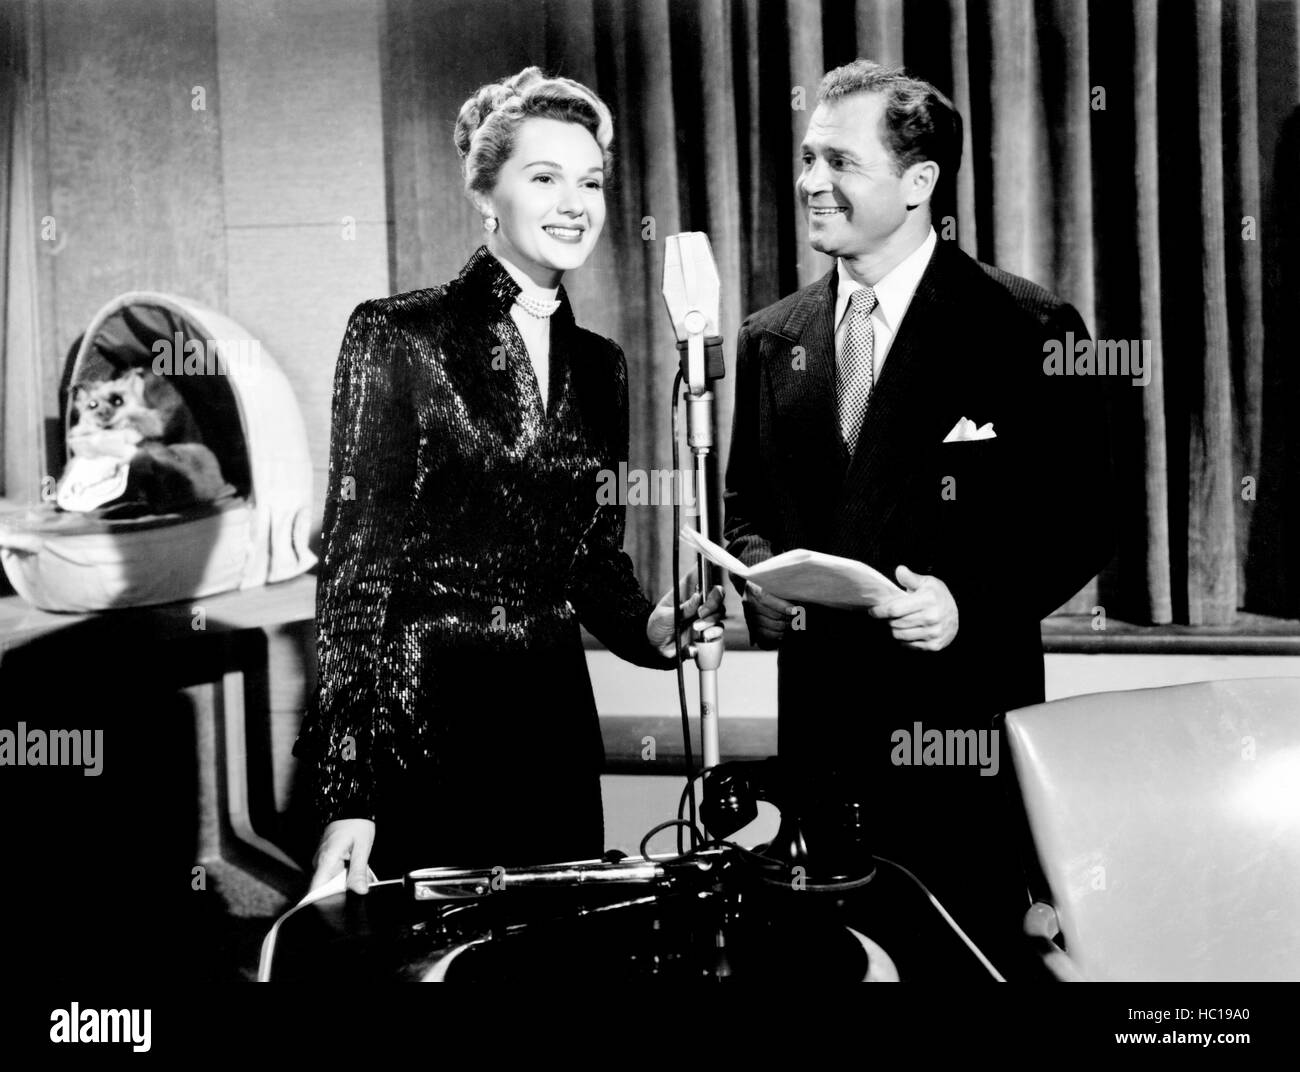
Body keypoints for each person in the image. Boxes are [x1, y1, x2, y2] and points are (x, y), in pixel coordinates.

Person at [723, 60, 1113, 974]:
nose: (812, 182)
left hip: (957, 741)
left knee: (959, 960)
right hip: (819, 745)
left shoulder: (1031, 328)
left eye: (840, 163)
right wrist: (759, 578)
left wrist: (966, 601)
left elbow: (1086, 517)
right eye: (808, 158)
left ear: (919, 183)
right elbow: (748, 505)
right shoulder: (768, 337)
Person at [297, 66, 723, 894]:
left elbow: (592, 560)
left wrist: (654, 629)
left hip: (553, 728)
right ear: (487, 194)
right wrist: (348, 792)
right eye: (544, 178)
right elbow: (354, 580)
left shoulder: (602, 367)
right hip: (423, 728)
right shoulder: (398, 336)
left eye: (592, 182)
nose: (576, 203)